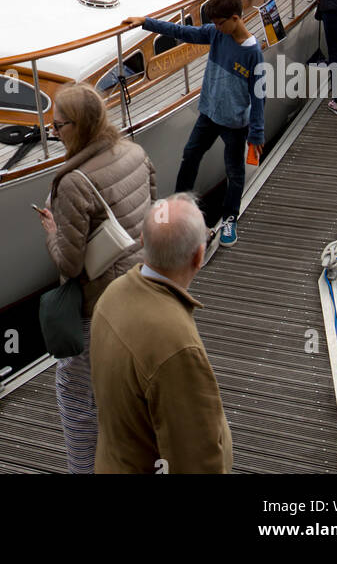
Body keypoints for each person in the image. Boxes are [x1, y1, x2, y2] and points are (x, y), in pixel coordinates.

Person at [34, 83, 155, 474]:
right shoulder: (136, 152)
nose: (53, 133)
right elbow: (149, 208)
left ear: (79, 126)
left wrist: (52, 231)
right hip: (142, 292)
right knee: (131, 392)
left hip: (101, 309)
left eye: (58, 125)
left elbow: (69, 265)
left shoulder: (72, 183)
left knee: (76, 395)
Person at [90, 194, 232, 475]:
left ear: (142, 241)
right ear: (199, 256)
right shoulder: (177, 347)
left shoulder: (111, 296)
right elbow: (197, 460)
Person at [123, 0, 264, 247]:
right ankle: (179, 206)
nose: (216, 28)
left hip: (235, 123)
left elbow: (259, 97)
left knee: (234, 171)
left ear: (235, 18)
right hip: (208, 114)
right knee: (190, 155)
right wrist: (146, 23)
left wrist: (257, 133)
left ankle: (230, 217)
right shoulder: (215, 35)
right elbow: (183, 32)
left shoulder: (253, 53)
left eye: (220, 23)